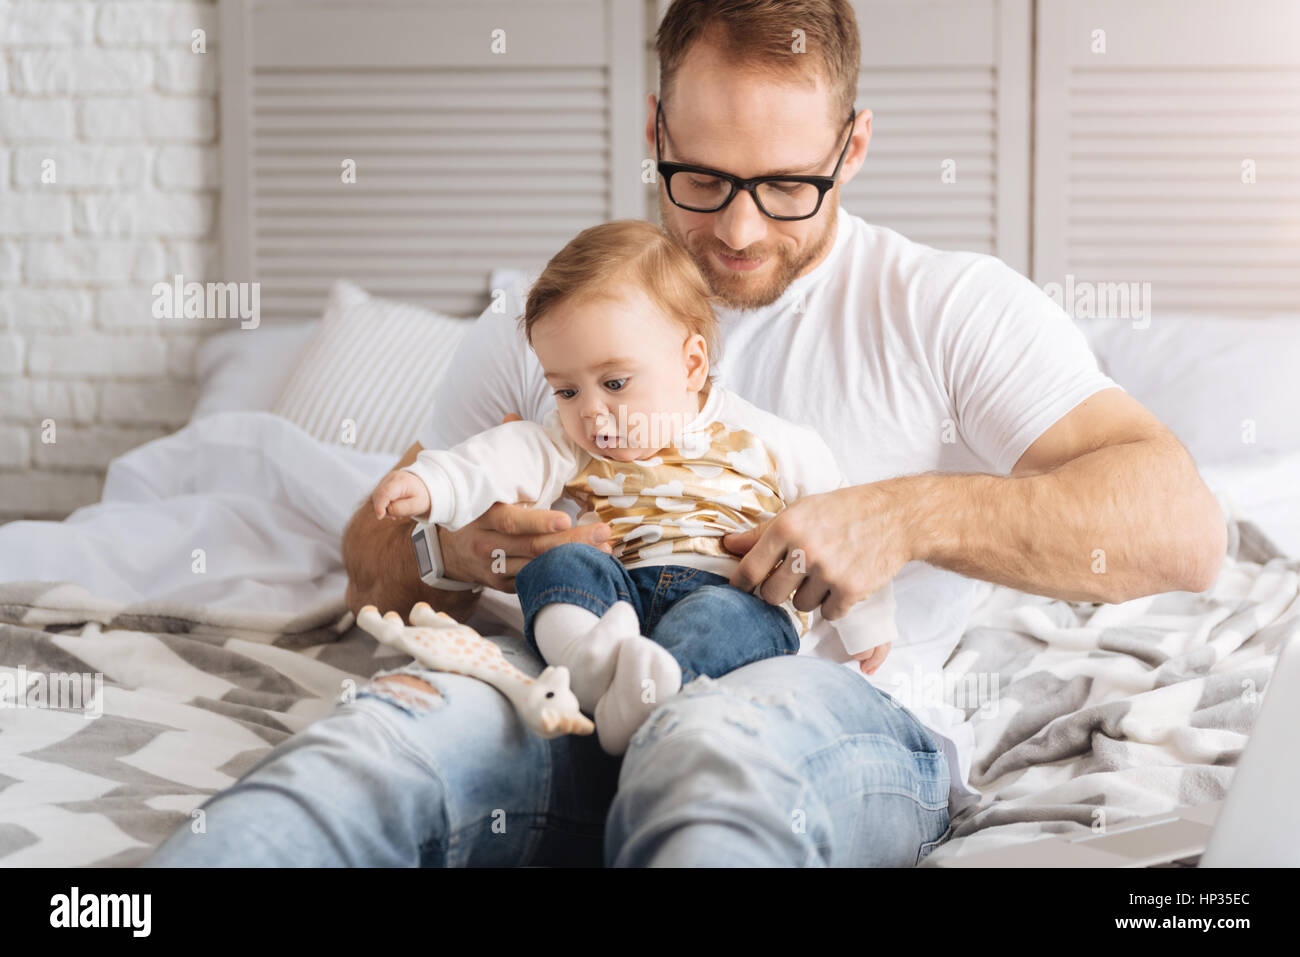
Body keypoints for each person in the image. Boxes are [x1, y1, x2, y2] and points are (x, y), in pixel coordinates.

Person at [147, 0, 1224, 868]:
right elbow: (375, 580)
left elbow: (1181, 529)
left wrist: (907, 513)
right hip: (553, 693)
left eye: (787, 186)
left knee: (709, 755)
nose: (741, 228)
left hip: (807, 713)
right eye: (702, 178)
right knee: (367, 748)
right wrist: (454, 553)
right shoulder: (544, 323)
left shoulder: (948, 309)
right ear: (654, 131)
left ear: (852, 149)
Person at [370, 219, 898, 755]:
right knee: (558, 566)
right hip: (617, 594)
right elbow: (491, 460)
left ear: (691, 364)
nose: (591, 413)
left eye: (615, 384)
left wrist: (866, 619)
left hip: (730, 589)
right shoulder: (568, 443)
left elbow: (839, 526)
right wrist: (431, 482)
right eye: (567, 390)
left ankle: (651, 694)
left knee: (729, 619)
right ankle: (586, 664)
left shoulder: (769, 439)